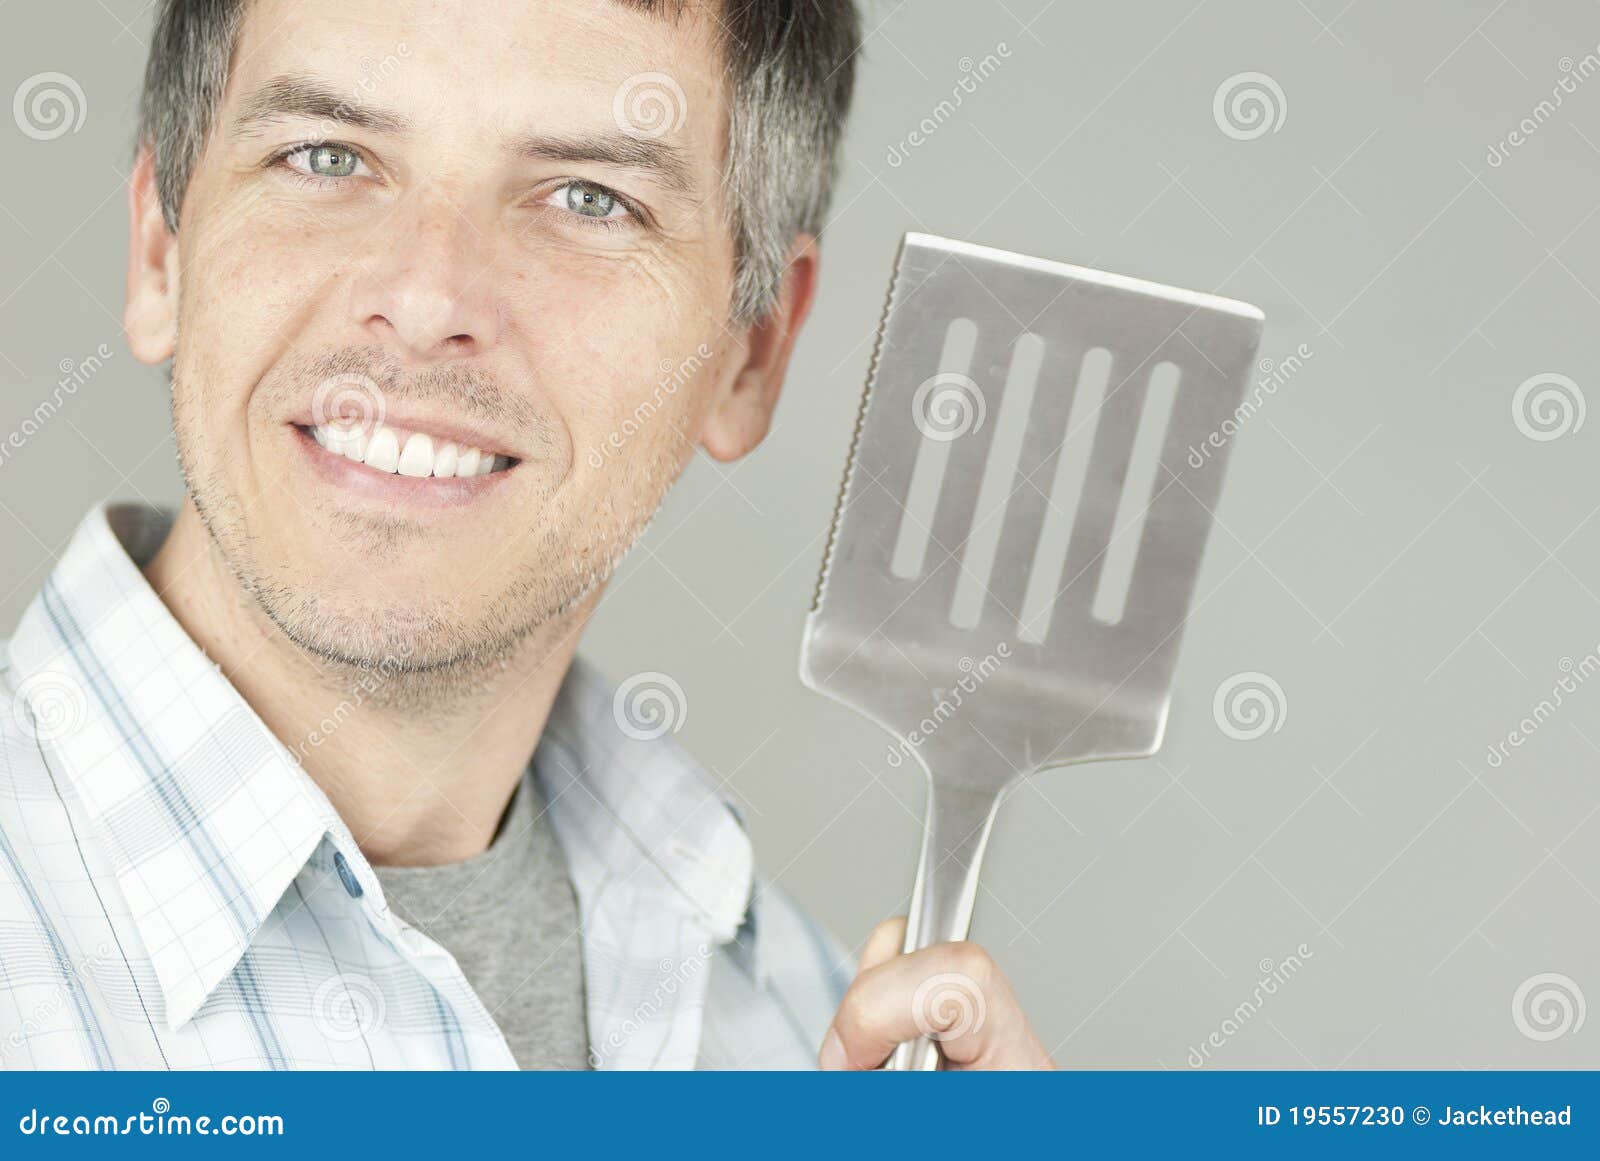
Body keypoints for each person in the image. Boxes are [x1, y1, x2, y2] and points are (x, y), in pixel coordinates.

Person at [0, 0, 1053, 1070]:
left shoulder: (821, 1052)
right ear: (158, 252)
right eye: (326, 156)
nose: (425, 299)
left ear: (753, 350)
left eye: (589, 199)